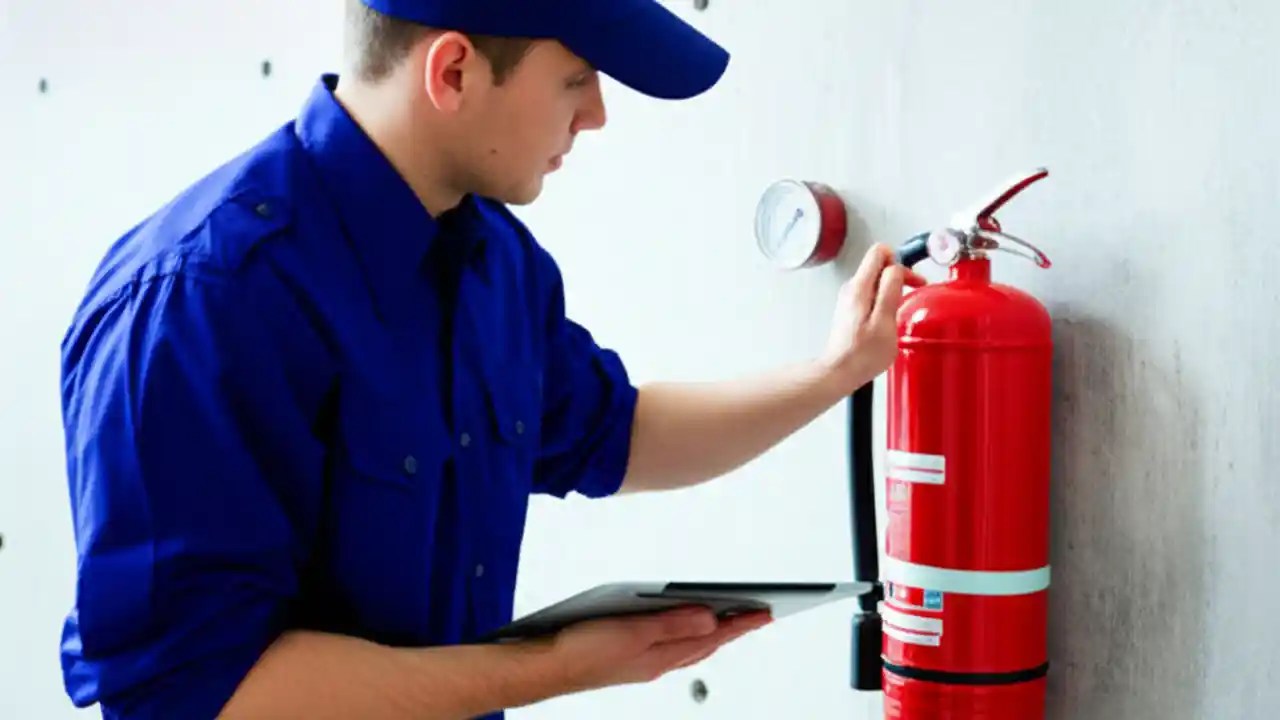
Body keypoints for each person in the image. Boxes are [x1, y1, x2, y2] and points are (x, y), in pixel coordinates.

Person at [57, 1, 919, 718]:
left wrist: (835, 373)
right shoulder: (203, 297)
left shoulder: (493, 262)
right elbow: (198, 692)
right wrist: (560, 666)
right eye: (577, 79)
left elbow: (619, 433)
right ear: (455, 71)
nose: (597, 115)